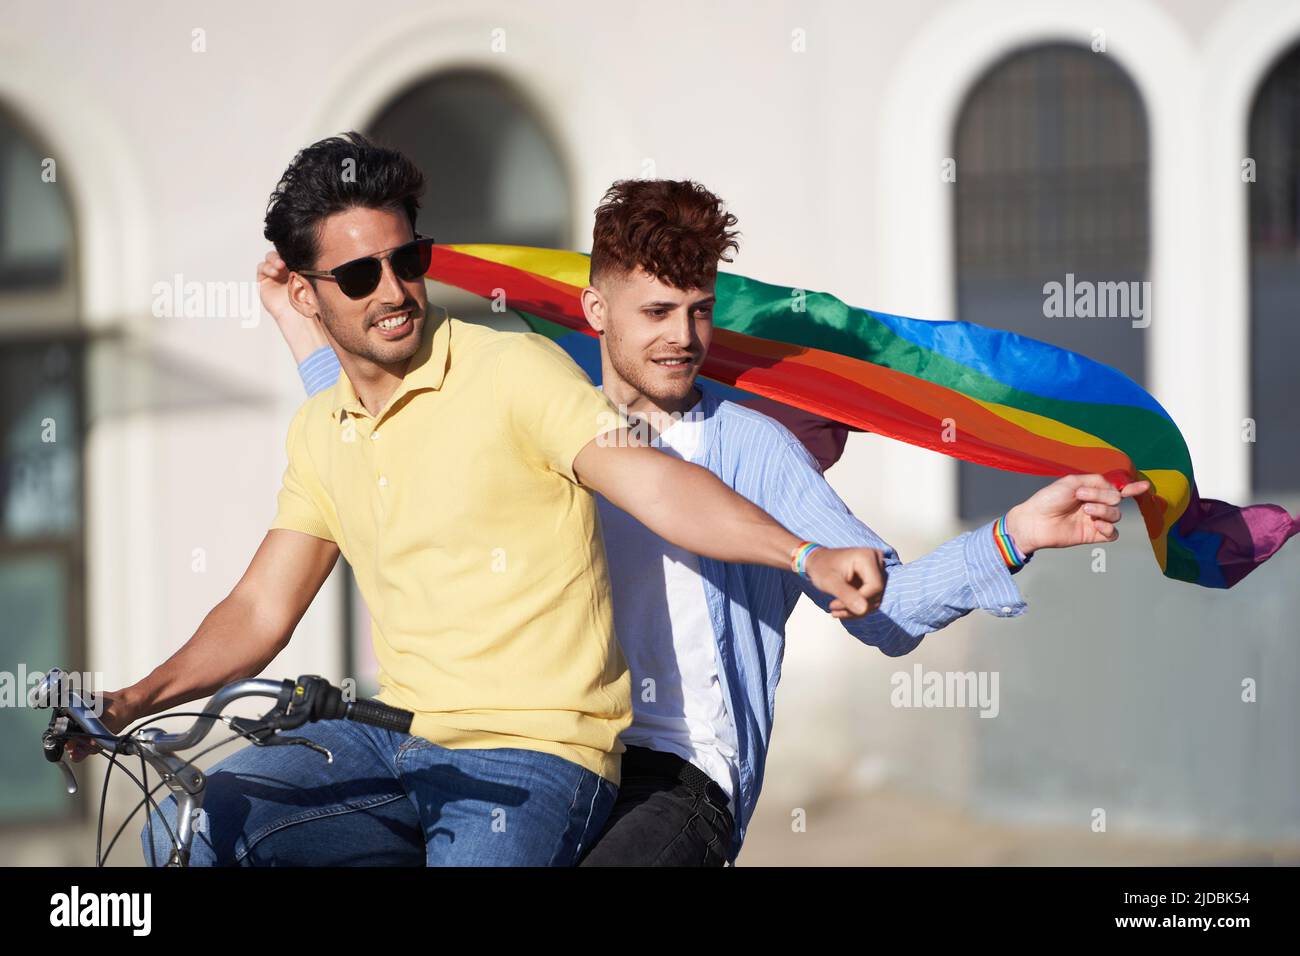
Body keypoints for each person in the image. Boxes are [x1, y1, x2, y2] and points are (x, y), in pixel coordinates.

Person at [269, 176, 1150, 866]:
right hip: (549, 748)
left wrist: (1017, 534)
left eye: (699, 312)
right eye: (657, 312)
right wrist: (303, 324)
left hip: (681, 773)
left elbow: (887, 607)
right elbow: (391, 439)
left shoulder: (755, 449)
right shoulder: (546, 404)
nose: (684, 337)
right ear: (597, 311)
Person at [65, 134, 887, 867]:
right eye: (359, 275)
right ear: (310, 297)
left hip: (537, 755)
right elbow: (258, 610)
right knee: (199, 825)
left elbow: (660, 485)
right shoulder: (323, 431)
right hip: (392, 740)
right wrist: (131, 700)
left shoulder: (512, 373)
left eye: (406, 260)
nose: (393, 289)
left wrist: (802, 553)